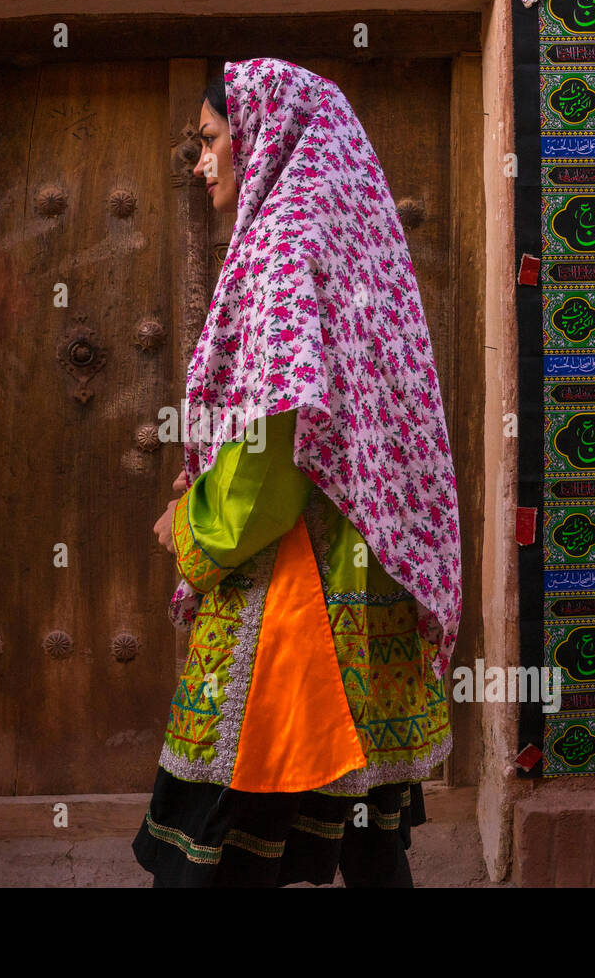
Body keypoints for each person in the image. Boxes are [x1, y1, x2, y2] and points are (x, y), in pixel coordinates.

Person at [132, 58, 463, 888]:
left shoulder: (282, 244)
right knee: (371, 847)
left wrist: (193, 523)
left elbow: (272, 467)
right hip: (369, 597)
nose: (201, 162)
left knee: (213, 848)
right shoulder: (347, 233)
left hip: (294, 603)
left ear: (260, 132)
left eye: (210, 141)